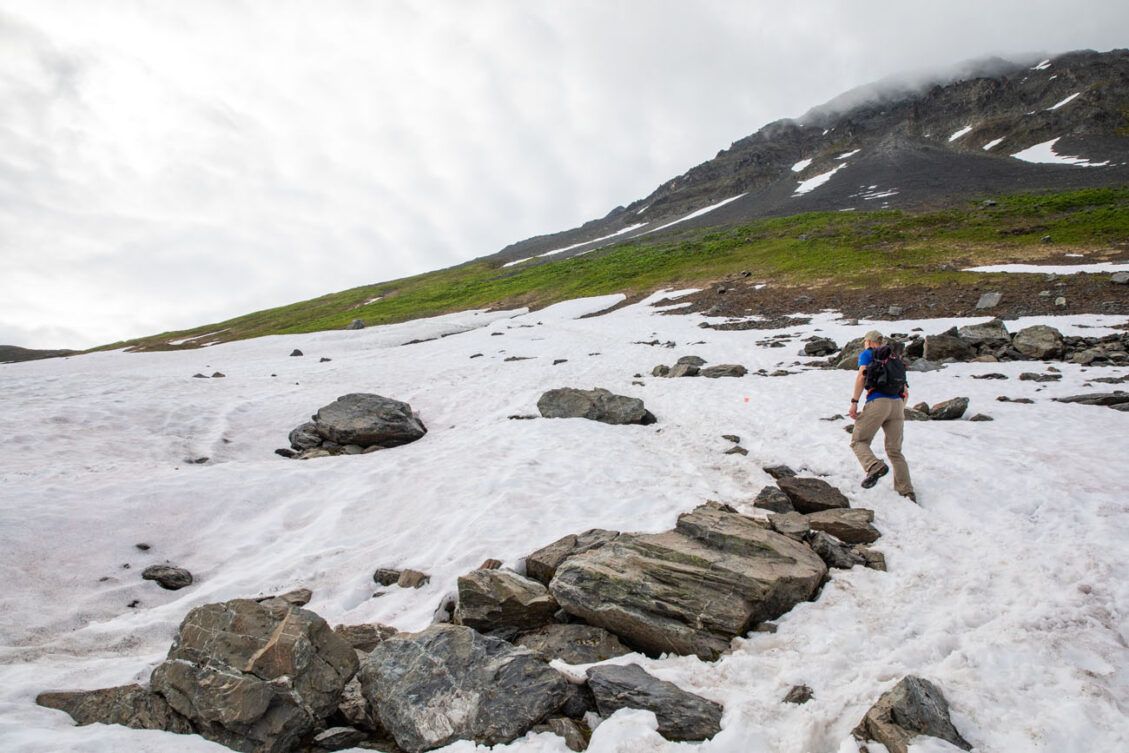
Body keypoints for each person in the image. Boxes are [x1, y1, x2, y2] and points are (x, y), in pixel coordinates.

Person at [848, 330, 916, 501]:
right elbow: (905, 391)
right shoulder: (895, 359)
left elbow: (861, 377)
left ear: (870, 342)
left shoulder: (868, 354)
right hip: (898, 405)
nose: (864, 344)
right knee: (895, 451)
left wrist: (854, 401)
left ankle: (874, 466)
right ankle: (906, 491)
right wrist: (898, 408)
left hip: (878, 402)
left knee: (859, 440)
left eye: (865, 341)